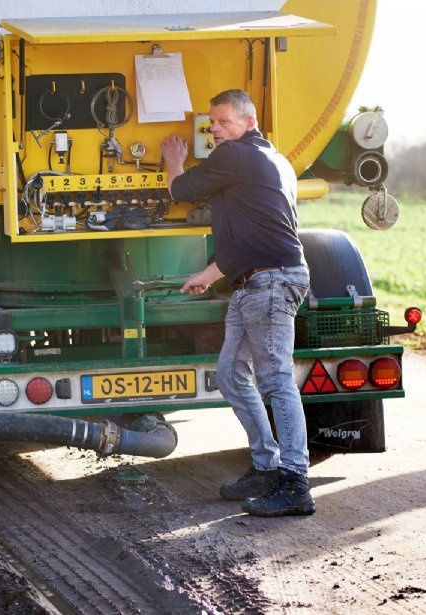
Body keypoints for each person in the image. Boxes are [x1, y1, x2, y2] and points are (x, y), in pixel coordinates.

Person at [161, 89, 315, 517]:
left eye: (223, 122)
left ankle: (295, 482)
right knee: (231, 372)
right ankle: (266, 467)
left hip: (268, 283)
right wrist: (208, 275)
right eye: (212, 124)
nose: (216, 132)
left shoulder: (236, 155)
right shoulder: (273, 160)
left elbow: (182, 191)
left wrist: (173, 160)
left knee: (276, 380)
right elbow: (253, 233)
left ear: (249, 122)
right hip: (257, 280)